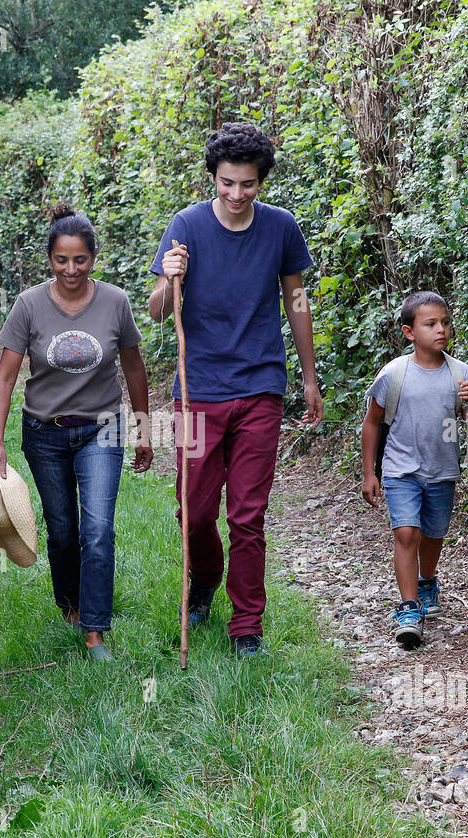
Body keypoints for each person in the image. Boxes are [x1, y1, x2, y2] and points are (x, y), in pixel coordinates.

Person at [148, 121, 323, 658]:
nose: (236, 194)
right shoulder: (186, 226)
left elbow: (296, 303)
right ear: (214, 177)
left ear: (260, 181)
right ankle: (204, 580)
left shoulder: (281, 228)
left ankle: (247, 624)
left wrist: (309, 376)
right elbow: (156, 311)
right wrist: (170, 275)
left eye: (247, 184)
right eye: (227, 183)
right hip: (198, 390)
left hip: (259, 386)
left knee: (247, 515)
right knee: (194, 513)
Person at [0, 202, 153, 662]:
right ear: (50, 258)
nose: (71, 269)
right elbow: (4, 377)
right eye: (62, 260)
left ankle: (95, 631)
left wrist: (142, 427)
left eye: (80, 260)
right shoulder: (29, 305)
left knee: (98, 529)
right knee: (62, 531)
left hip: (102, 429)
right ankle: (71, 604)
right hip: (43, 433)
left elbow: (135, 369)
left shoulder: (115, 302)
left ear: (94, 258)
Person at [360, 291, 468, 649]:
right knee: (406, 534)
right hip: (401, 469)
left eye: (445, 322)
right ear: (409, 331)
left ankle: (427, 580)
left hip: (442, 470)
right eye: (430, 324)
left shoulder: (461, 374)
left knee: (432, 535)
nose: (441, 329)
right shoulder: (394, 374)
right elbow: (372, 424)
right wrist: (369, 473)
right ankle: (409, 607)